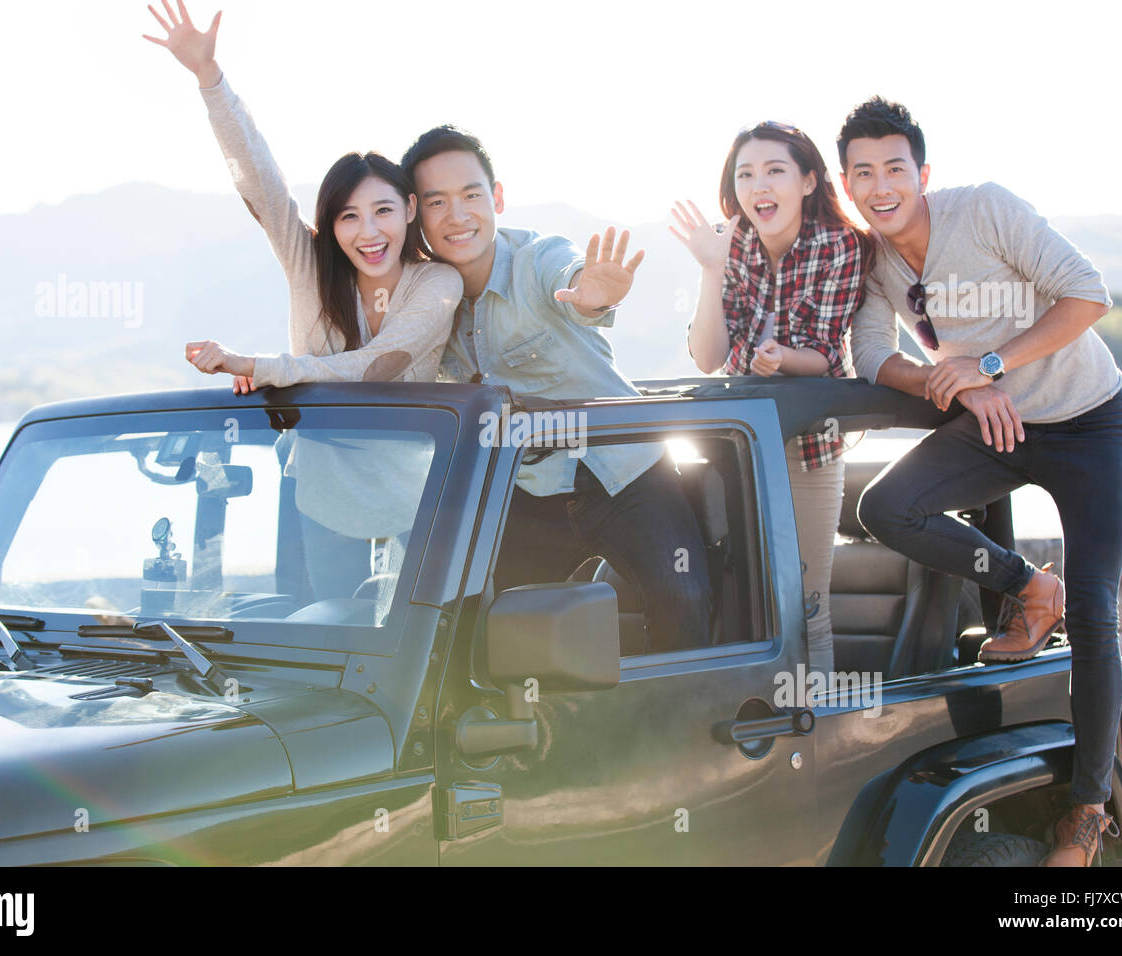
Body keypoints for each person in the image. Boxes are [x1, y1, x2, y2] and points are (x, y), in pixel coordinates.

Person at [840, 96, 1122, 866]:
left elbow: (1090, 294)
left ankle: (1087, 813)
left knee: (1098, 612)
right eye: (862, 173)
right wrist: (958, 383)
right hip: (999, 427)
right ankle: (1027, 585)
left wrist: (992, 363)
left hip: (1090, 422)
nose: (879, 186)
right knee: (887, 506)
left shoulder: (987, 210)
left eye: (893, 168)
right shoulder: (876, 261)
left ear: (922, 173)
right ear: (845, 184)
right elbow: (870, 354)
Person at [143, 3, 463, 605]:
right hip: (320, 494)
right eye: (348, 216)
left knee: (423, 651)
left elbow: (371, 372)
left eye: (383, 211)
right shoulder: (309, 265)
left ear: (411, 211)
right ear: (330, 225)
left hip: (416, 497)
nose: (368, 232)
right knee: (325, 636)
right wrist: (211, 80)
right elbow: (259, 179)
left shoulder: (436, 284)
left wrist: (261, 368)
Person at [399, 126, 713, 655]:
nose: (458, 216)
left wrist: (591, 295)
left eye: (471, 195)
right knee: (485, 630)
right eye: (437, 202)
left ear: (496, 197)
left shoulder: (537, 257)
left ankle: (681, 732)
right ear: (417, 214)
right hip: (530, 487)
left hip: (626, 473)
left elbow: (570, 281)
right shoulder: (429, 297)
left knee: (685, 599)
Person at [669, 121, 869, 678]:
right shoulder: (726, 244)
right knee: (735, 598)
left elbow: (827, 354)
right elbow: (708, 356)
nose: (760, 184)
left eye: (775, 170)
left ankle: (823, 738)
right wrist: (711, 269)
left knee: (807, 607)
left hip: (808, 447)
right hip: (734, 447)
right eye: (746, 173)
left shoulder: (840, 245)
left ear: (807, 181)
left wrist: (780, 359)